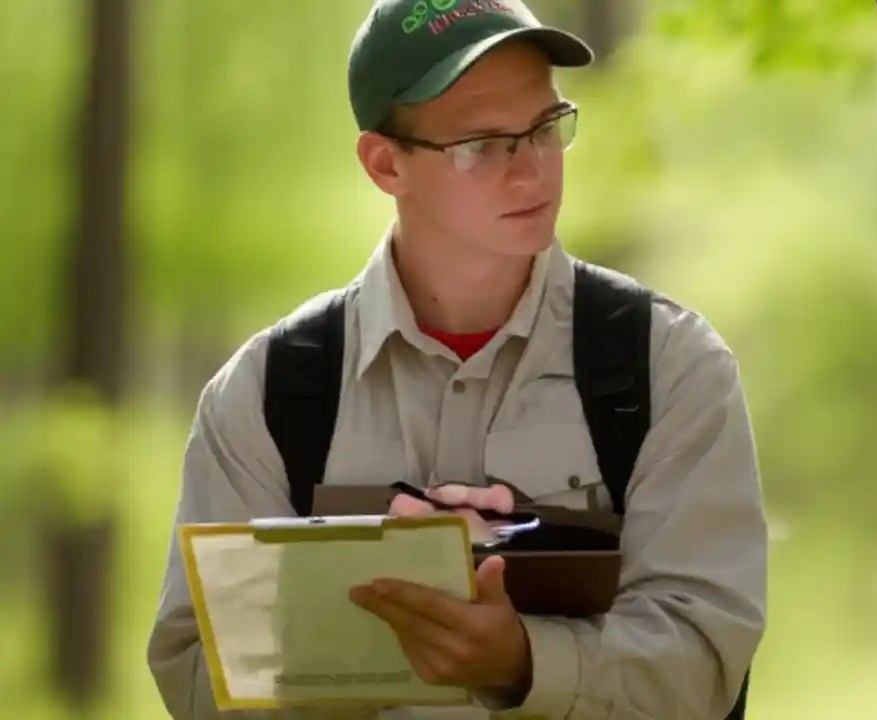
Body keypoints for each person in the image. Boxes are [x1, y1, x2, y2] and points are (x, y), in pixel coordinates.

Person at [145, 1, 768, 718]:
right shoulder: (268, 394)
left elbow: (706, 663)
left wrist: (524, 660)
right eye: (480, 144)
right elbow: (199, 676)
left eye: (544, 128)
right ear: (385, 163)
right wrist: (362, 610)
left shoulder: (669, 369)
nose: (532, 171)